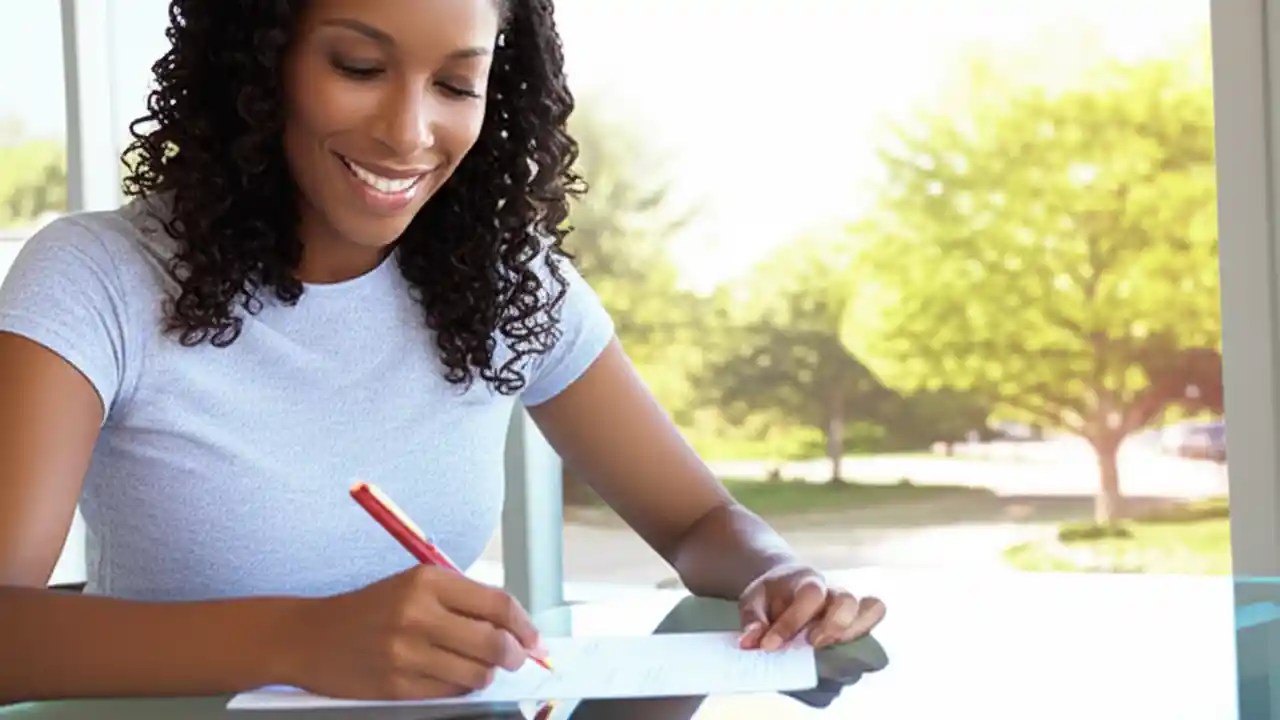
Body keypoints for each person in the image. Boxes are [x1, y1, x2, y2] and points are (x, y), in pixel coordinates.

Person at [0, 0, 885, 704]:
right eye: (359, 67)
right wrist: (303, 640)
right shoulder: (98, 278)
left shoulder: (507, 287)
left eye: (457, 85)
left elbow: (698, 524)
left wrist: (780, 575)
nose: (408, 131)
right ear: (257, 65)